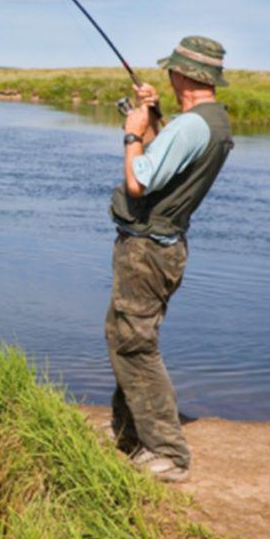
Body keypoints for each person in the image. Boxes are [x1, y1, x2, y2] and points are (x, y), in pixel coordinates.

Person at [105, 36, 234, 483]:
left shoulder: (192, 126)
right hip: (161, 247)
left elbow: (141, 180)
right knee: (123, 334)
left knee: (135, 343)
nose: (167, 76)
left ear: (184, 75)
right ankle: (128, 431)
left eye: (171, 71)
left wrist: (132, 130)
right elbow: (166, 160)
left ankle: (168, 453)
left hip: (148, 251)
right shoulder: (208, 122)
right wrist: (155, 117)